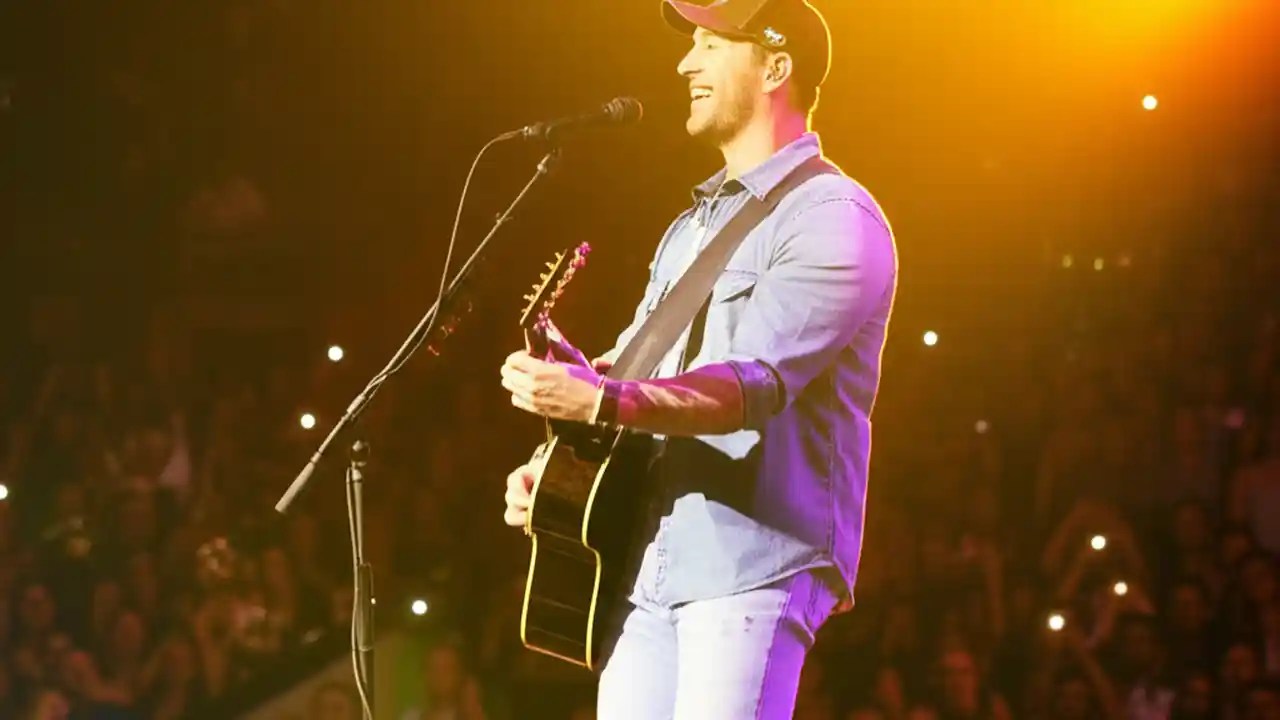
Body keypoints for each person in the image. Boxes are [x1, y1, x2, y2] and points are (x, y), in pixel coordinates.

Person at [499, 0, 897, 716]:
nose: (686, 63)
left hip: (753, 561)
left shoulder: (835, 217)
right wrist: (555, 467)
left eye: (713, 45)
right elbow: (630, 373)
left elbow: (750, 387)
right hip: (650, 560)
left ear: (776, 66)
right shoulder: (688, 230)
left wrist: (597, 400)